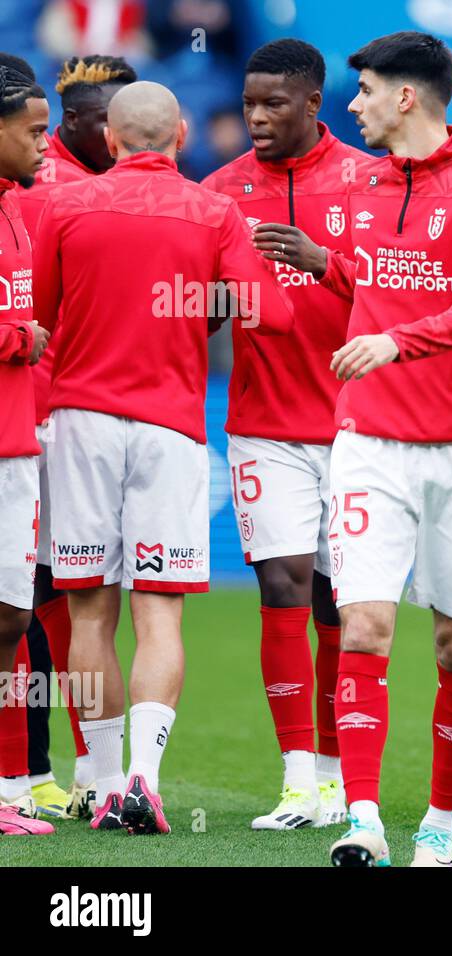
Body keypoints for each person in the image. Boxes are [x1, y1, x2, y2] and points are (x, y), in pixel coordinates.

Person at [268, 31, 452, 868]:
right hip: (369, 443)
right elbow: (382, 272)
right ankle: (364, 819)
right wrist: (331, 266)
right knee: (365, 624)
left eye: (366, 90)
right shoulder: (355, 182)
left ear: (406, 98)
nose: (353, 105)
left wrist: (393, 342)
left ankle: (440, 826)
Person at [33, 80, 294, 836]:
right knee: (158, 611)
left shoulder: (62, 206)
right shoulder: (215, 211)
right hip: (170, 429)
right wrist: (201, 296)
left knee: (88, 608)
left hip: (79, 421)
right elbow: (270, 316)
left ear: (110, 141)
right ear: (181, 135)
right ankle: (144, 781)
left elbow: (44, 313)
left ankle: (103, 781)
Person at [202, 37, 372, 832]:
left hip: (357, 425)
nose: (257, 119)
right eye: (248, 106)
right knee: (283, 587)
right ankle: (299, 782)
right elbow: (192, 301)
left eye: (274, 105)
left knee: (340, 602)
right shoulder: (220, 192)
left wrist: (327, 258)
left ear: (314, 103)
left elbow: (400, 291)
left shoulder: (368, 182)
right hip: (263, 426)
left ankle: (340, 777)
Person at [16, 52, 137, 823]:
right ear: (71, 124)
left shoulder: (118, 180)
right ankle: (28, 771)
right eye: (110, 124)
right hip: (40, 413)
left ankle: (67, 767)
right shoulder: (40, 184)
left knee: (64, 594)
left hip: (85, 413)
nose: (125, 137)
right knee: (28, 597)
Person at [0, 59, 55, 837]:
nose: (45, 146)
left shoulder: (19, 207)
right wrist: (19, 336)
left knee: (11, 617)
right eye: (34, 131)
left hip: (17, 446)